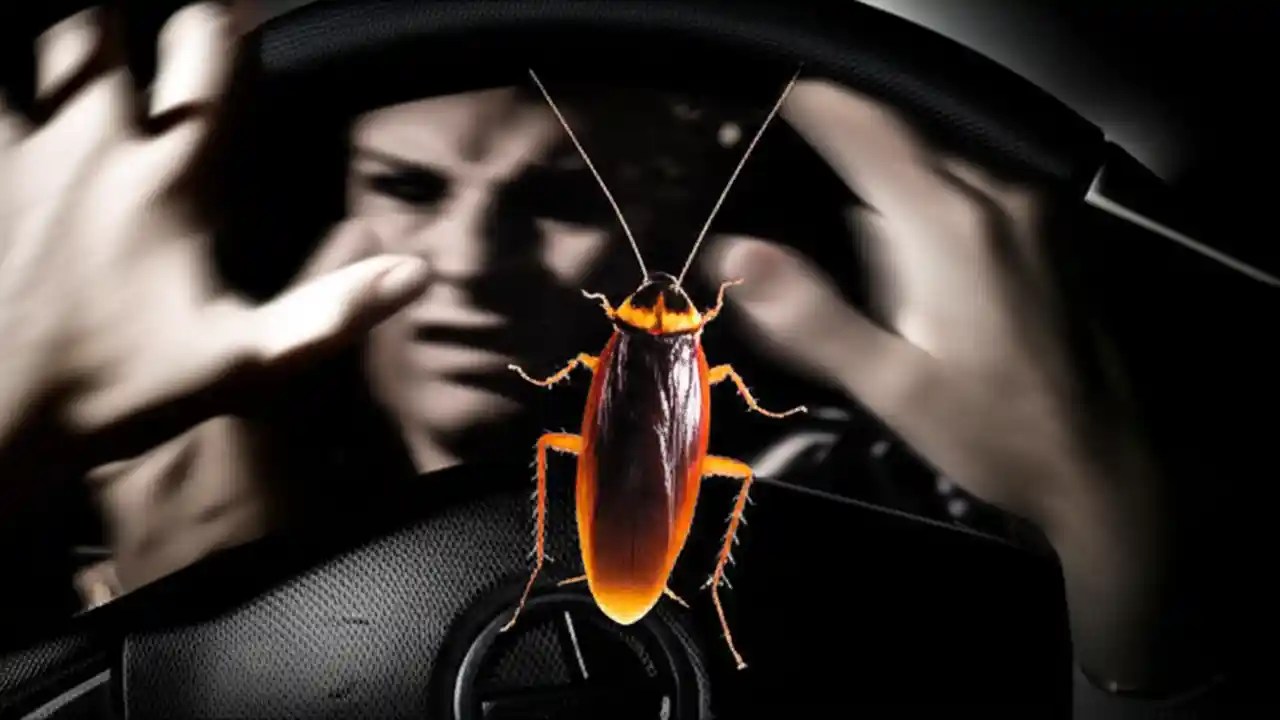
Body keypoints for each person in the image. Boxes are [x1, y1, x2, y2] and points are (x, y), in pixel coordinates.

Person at [0, 2, 1237, 716]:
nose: (470, 260)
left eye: (550, 196)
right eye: (405, 186)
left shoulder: (878, 496)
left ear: (665, 217)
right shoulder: (126, 495)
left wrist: (1115, 545)